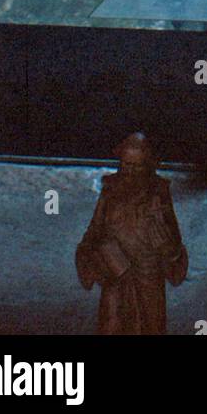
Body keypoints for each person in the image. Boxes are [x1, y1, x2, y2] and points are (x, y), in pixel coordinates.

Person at [76, 132, 188, 335]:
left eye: (138, 166)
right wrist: (96, 253)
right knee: (112, 325)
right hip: (116, 278)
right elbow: (94, 231)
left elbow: (174, 243)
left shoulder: (159, 193)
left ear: (149, 165)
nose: (131, 172)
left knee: (150, 327)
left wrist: (168, 249)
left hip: (149, 279)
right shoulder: (111, 189)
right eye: (126, 165)